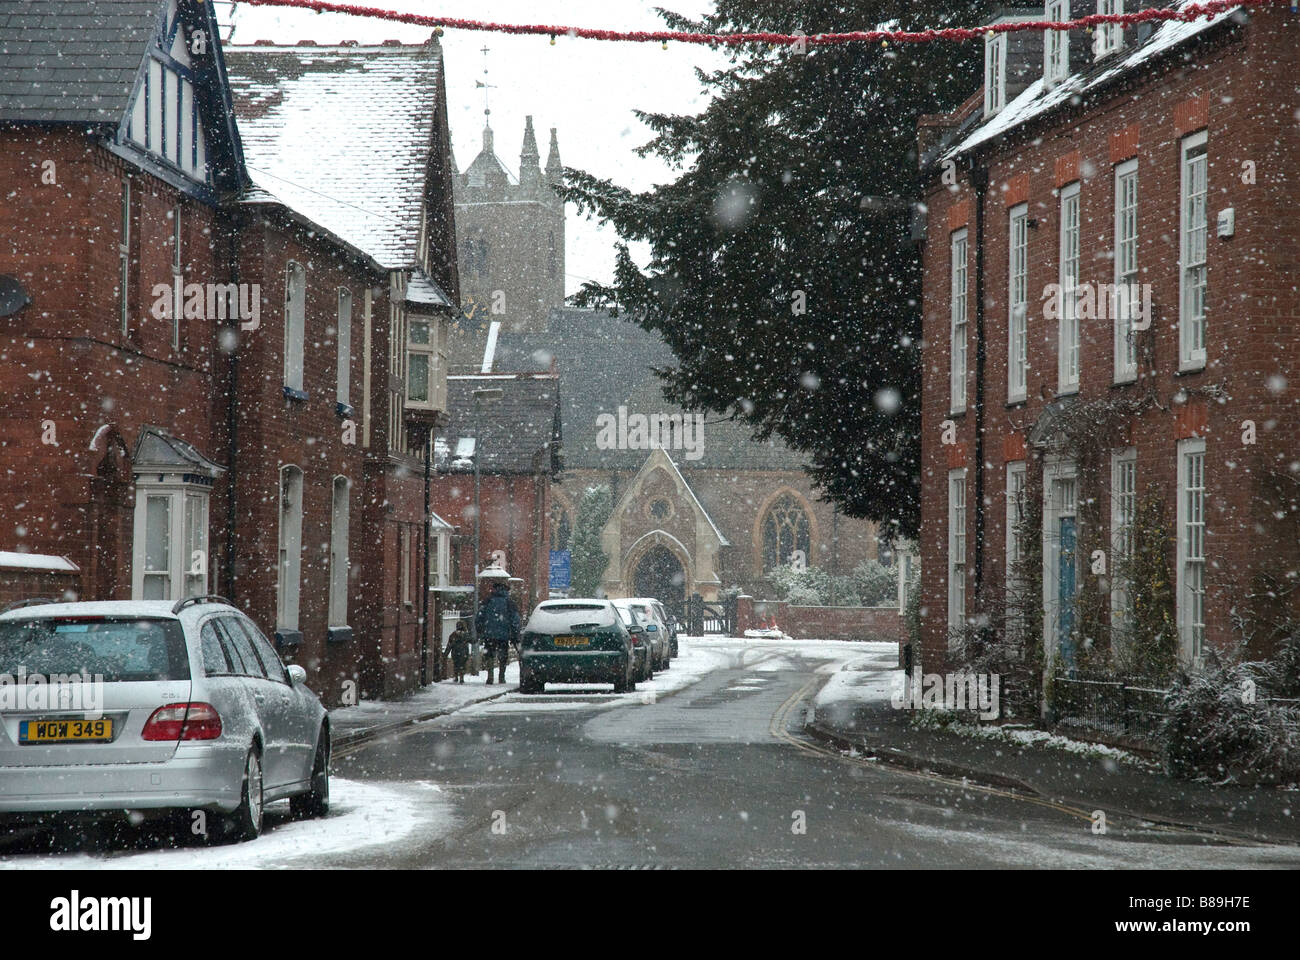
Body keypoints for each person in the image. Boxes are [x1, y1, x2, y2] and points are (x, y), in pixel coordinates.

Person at [475, 581, 520, 684]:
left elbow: (479, 617)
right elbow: (515, 620)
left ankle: (490, 677)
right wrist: (515, 634)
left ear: (494, 590)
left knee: (489, 655)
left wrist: (480, 631)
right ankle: (501, 677)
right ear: (506, 591)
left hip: (489, 634)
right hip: (504, 636)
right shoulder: (509, 603)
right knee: (503, 656)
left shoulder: (487, 601)